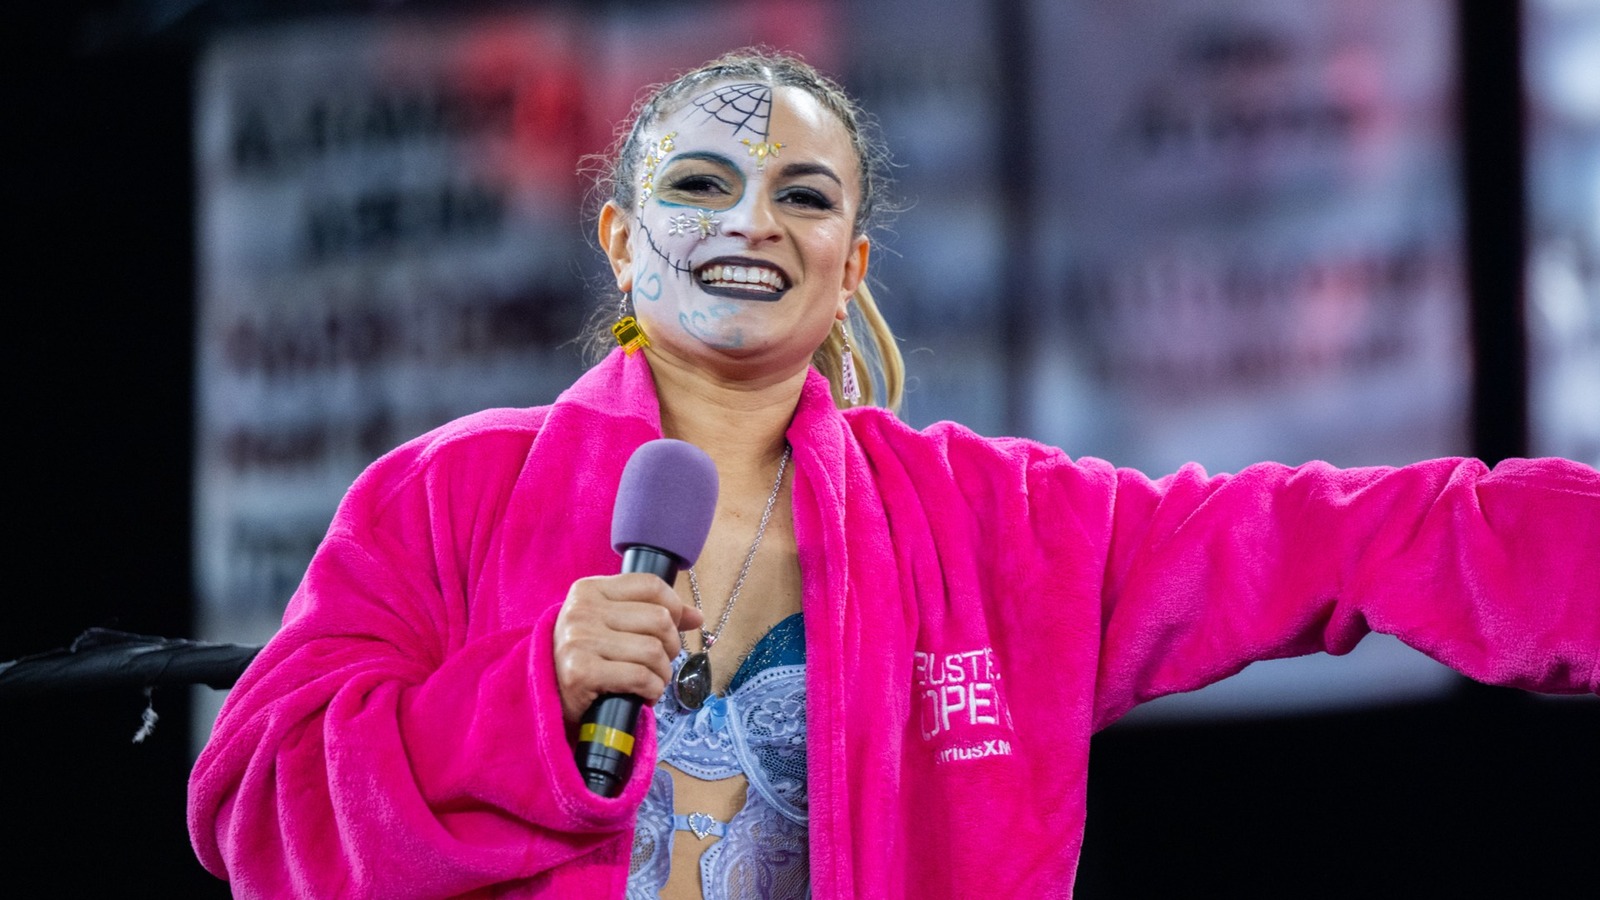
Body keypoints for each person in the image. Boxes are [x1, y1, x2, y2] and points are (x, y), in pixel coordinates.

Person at [187, 49, 1600, 899]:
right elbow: (258, 817)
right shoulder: (447, 494)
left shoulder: (998, 526)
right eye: (698, 187)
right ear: (619, 238)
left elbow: (1344, 538)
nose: (754, 220)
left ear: (850, 262)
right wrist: (517, 700)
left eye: (804, 196)